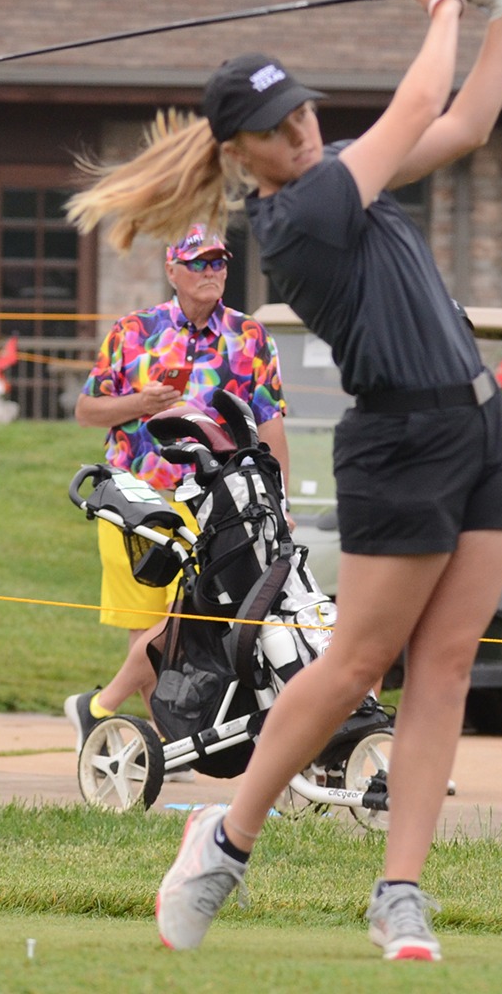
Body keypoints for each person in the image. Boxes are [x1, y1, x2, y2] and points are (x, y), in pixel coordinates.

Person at [67, 0, 502, 962]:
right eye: (279, 129)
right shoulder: (299, 214)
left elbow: (465, 124)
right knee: (356, 663)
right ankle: (227, 838)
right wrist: (445, 3)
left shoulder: (337, 169)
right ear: (243, 155)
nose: (303, 132)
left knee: (446, 667)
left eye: (304, 112)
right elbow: (419, 103)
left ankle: (400, 891)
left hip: (482, 431)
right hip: (399, 441)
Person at [66, 224, 289, 753]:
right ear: (172, 270)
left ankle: (99, 708)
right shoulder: (133, 330)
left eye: (219, 262)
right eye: (199, 263)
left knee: (190, 621)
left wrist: (278, 500)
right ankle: (164, 744)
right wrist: (140, 404)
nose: (212, 272)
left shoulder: (250, 335)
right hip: (135, 498)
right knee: (147, 623)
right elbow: (86, 410)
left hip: (217, 499)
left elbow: (270, 422)